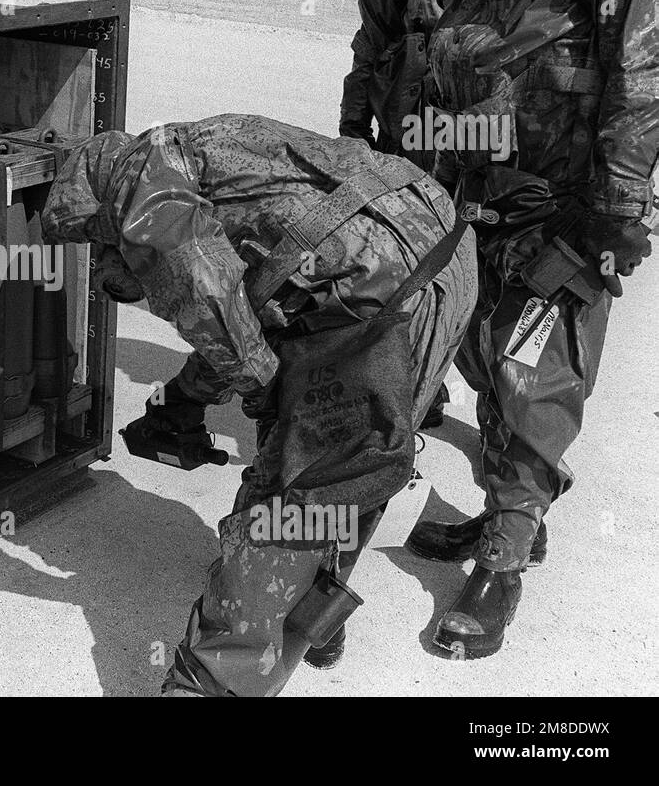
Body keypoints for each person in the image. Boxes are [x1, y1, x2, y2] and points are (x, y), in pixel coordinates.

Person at [40, 114, 477, 696]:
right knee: (356, 472)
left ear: (103, 215)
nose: (98, 269)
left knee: (287, 499)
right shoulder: (202, 156)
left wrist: (275, 415)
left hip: (372, 296)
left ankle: (216, 680)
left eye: (96, 248)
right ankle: (310, 619)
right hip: (440, 257)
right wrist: (182, 400)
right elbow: (259, 306)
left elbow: (222, 319)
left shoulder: (139, 187)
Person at [407, 0, 658, 659]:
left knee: (532, 375)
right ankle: (508, 510)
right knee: (482, 354)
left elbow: (644, 73)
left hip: (567, 213)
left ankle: (504, 562)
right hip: (485, 201)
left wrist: (614, 214)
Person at [341, 0, 477, 432]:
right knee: (410, 266)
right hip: (410, 140)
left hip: (479, 143)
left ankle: (499, 409)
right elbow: (369, 41)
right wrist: (351, 129)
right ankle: (421, 384)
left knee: (483, 266)